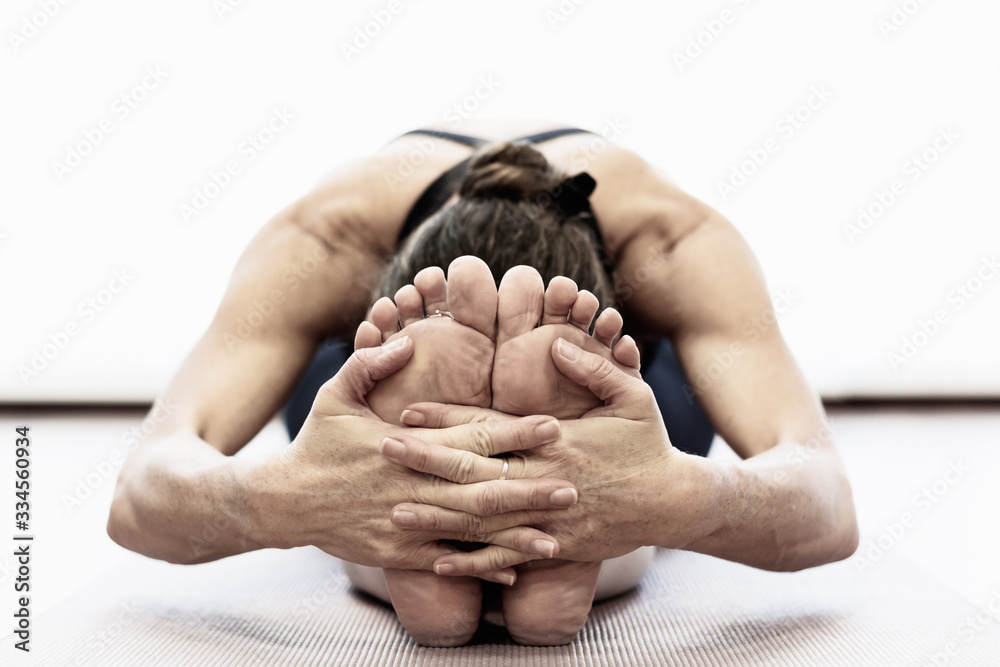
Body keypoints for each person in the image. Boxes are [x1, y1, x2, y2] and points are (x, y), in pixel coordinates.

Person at [107, 120, 859, 645]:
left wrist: (669, 492)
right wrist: (300, 493)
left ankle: (416, 515)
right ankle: (563, 520)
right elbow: (139, 491)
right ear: (381, 290)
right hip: (381, 408)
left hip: (621, 419)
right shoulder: (326, 242)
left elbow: (830, 505)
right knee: (344, 422)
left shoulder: (672, 242)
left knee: (653, 414)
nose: (490, 438)